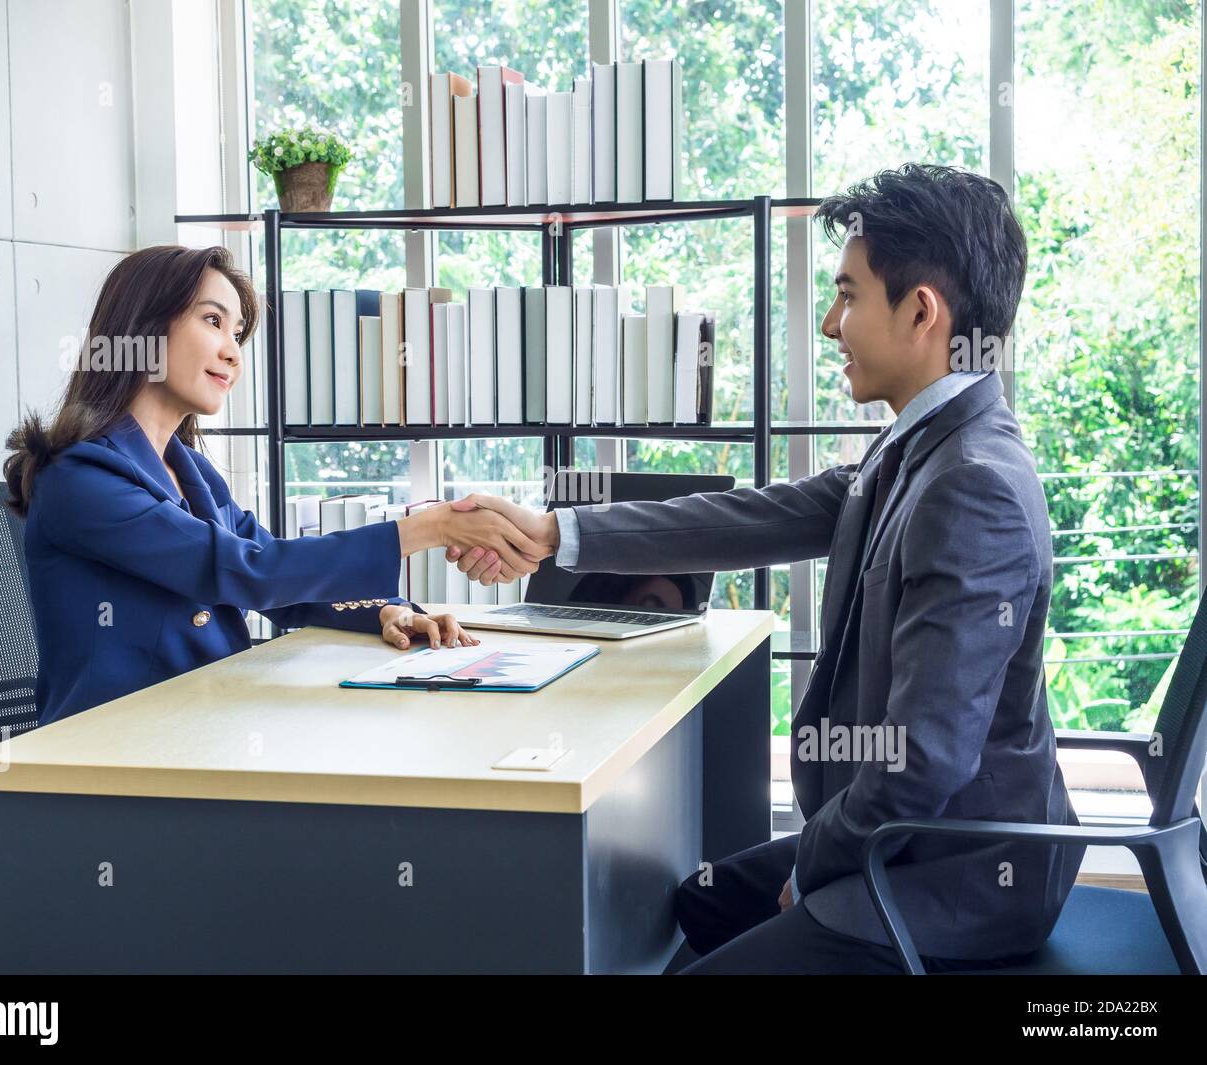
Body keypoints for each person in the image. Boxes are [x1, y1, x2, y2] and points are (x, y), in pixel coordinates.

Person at [446, 164, 1083, 973]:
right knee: (699, 901)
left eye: (848, 295)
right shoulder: (919, 445)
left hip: (956, 875)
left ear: (921, 312)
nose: (828, 321)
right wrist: (554, 533)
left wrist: (818, 866)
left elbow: (924, 762)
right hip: (914, 836)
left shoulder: (972, 485)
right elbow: (750, 517)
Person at [4, 245, 549, 726]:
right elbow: (250, 574)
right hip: (110, 754)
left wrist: (385, 611)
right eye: (212, 322)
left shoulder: (189, 469)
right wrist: (428, 526)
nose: (233, 351)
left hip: (203, 722)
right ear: (143, 328)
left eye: (237, 333)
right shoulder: (80, 479)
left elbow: (274, 571)